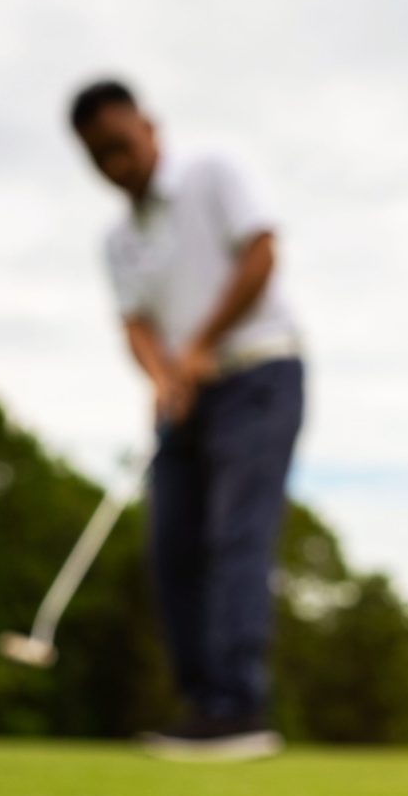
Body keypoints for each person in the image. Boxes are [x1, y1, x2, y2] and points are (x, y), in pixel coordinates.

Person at [68, 79, 305, 761]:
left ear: (149, 127)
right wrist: (163, 373)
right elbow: (136, 323)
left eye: (122, 145)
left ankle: (237, 707)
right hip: (187, 396)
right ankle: (202, 702)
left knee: (237, 534)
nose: (116, 166)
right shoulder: (117, 239)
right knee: (170, 545)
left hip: (260, 373)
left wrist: (200, 343)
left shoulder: (213, 172)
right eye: (99, 158)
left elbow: (261, 252)